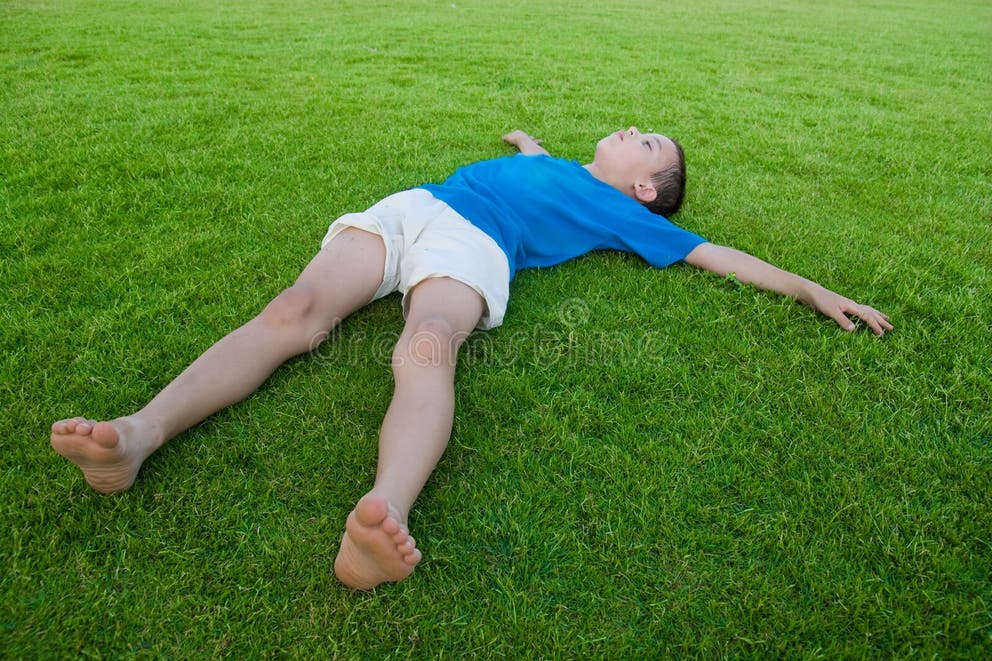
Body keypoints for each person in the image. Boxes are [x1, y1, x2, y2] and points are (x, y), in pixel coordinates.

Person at [50, 127, 893, 590]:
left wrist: (810, 289)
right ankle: (136, 436)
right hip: (417, 209)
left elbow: (717, 253)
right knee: (292, 313)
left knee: (426, 350)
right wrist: (530, 144)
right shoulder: (559, 164)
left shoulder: (628, 216)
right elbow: (536, 167)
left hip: (477, 245)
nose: (634, 128)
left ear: (643, 189)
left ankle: (383, 518)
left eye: (650, 143)